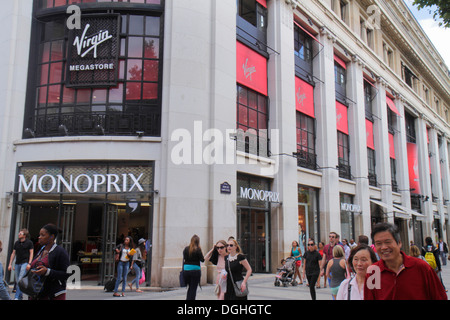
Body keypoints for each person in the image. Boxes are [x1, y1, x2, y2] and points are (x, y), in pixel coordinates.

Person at [364, 222, 447, 300]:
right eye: (378, 243)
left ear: (399, 243)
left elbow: (439, 297)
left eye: (387, 242)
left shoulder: (421, 267)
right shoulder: (373, 272)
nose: (383, 247)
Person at [29, 224, 70, 300]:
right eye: (39, 235)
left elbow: (66, 274)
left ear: (52, 237)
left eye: (43, 235)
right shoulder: (41, 250)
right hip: (37, 292)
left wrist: (47, 271)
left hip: (53, 294)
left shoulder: (60, 252)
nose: (39, 237)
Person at [8, 228, 34, 300]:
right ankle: (20, 296)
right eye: (19, 233)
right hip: (17, 263)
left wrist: (29, 263)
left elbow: (31, 253)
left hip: (24, 263)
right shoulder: (17, 243)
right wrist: (10, 264)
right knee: (17, 280)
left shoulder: (29, 243)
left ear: (24, 235)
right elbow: (13, 254)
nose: (18, 234)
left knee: (20, 280)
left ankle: (16, 297)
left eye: (20, 233)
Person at [182, 235, 204, 300]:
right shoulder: (198, 249)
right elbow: (202, 260)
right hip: (195, 271)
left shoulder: (186, 249)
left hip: (186, 271)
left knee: (190, 287)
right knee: (193, 288)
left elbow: (185, 258)